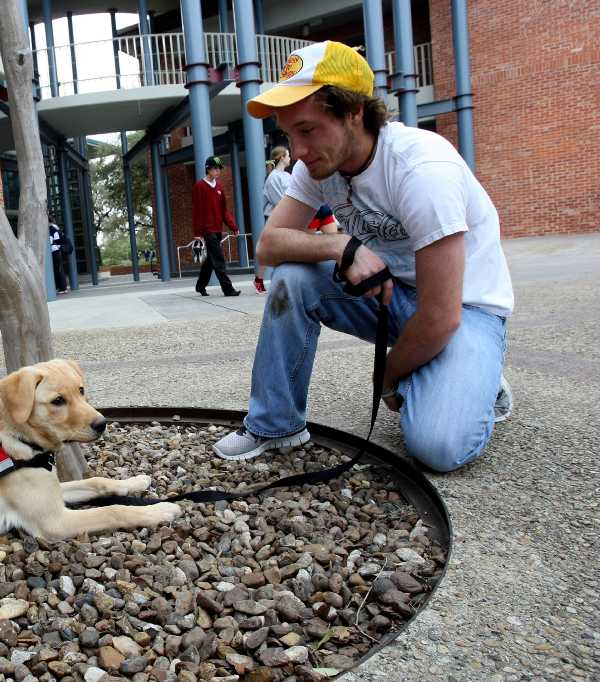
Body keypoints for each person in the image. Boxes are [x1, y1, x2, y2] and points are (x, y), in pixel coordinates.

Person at [213, 41, 514, 472]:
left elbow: (441, 316)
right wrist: (341, 245)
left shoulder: (421, 170)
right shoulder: (318, 165)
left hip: (464, 311)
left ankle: (480, 379)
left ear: (354, 112)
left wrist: (386, 378)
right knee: (293, 280)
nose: (296, 151)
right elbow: (269, 245)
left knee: (438, 448)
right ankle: (276, 425)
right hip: (390, 297)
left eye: (308, 130)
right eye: (289, 135)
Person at [255, 148, 340, 292]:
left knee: (332, 242)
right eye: (288, 155)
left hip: (316, 210)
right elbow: (283, 201)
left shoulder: (288, 174)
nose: (290, 157)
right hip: (283, 216)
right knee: (275, 250)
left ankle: (331, 278)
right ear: (282, 158)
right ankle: (260, 279)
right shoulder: (273, 177)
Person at [192, 156, 241, 297]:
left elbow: (223, 211)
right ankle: (228, 289)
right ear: (208, 169)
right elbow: (197, 211)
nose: (218, 171)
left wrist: (234, 227)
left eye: (219, 168)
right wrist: (197, 233)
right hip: (207, 231)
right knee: (219, 259)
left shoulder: (219, 188)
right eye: (215, 168)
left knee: (210, 261)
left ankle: (200, 286)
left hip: (217, 229)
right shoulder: (199, 187)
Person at [48, 215, 68, 294]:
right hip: (53, 251)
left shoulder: (53, 229)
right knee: (56, 270)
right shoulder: (52, 229)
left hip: (55, 251)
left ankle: (62, 287)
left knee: (58, 270)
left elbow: (57, 240)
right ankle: (60, 287)